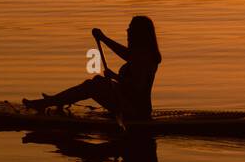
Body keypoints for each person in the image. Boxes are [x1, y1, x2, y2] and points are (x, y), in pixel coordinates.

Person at [23, 16, 161, 121]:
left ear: (139, 33)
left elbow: (137, 87)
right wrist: (103, 38)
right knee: (96, 80)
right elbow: (124, 53)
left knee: (92, 86)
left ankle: (48, 103)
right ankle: (57, 100)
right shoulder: (139, 54)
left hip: (136, 111)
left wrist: (114, 76)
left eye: (130, 28)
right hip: (129, 103)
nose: (127, 30)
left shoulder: (146, 58)